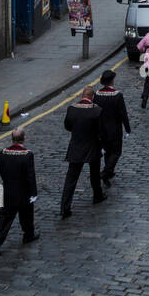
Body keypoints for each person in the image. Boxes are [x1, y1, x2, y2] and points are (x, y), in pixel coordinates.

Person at [0, 126, 39, 255]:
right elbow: (30, 176)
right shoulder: (27, 155)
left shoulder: (3, 152)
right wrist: (33, 193)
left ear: (12, 139)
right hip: (23, 192)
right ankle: (28, 235)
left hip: (8, 191)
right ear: (23, 139)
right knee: (26, 216)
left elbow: (2, 171)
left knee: (5, 218)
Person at [60, 85, 105, 218]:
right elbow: (101, 131)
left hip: (76, 146)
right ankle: (97, 195)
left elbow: (67, 126)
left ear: (82, 96)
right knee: (95, 174)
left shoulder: (71, 109)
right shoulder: (97, 111)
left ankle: (64, 207)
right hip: (92, 146)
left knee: (71, 179)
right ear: (92, 97)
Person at [94, 68, 131, 185]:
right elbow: (123, 113)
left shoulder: (97, 95)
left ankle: (109, 172)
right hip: (114, 129)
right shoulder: (117, 96)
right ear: (111, 81)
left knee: (107, 151)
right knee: (116, 152)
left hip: (101, 129)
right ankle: (106, 171)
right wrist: (127, 128)